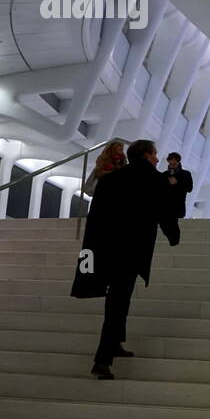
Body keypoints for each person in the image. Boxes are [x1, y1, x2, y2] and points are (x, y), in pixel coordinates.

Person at [71, 140, 180, 380]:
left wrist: (91, 251)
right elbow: (165, 212)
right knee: (118, 301)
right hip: (132, 251)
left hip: (107, 248)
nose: (158, 159)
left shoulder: (110, 180)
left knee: (119, 298)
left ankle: (116, 343)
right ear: (146, 155)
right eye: (155, 154)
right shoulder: (156, 180)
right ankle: (102, 359)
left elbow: (95, 217)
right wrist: (174, 236)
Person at [162, 152, 194, 219]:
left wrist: (177, 183)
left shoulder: (186, 174)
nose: (172, 166)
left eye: (174, 164)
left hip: (179, 207)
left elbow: (189, 188)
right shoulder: (164, 175)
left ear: (178, 162)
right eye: (170, 164)